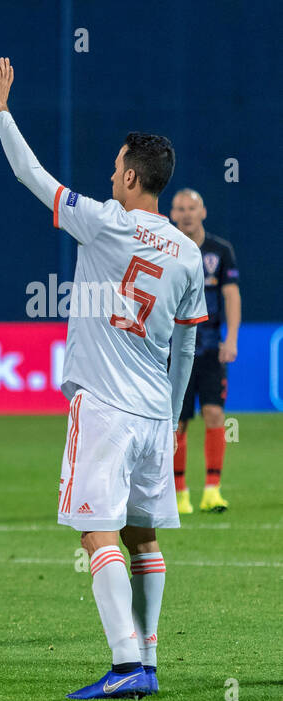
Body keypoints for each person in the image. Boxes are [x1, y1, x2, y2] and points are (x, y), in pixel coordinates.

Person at [0, 57, 206, 699]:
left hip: (106, 407)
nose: (110, 175)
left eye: (115, 168)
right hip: (152, 415)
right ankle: (150, 657)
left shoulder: (105, 222)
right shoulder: (189, 252)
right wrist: (170, 417)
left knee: (96, 530)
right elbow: (188, 345)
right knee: (143, 533)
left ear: (133, 177)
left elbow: (33, 176)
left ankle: (126, 665)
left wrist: (1, 113)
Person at [169, 188, 240, 514]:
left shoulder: (219, 250)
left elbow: (231, 295)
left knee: (214, 414)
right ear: (172, 214)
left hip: (211, 348)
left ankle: (212, 489)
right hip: (173, 349)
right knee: (176, 423)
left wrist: (232, 338)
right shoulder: (164, 249)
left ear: (203, 213)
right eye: (180, 208)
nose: (185, 214)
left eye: (191, 208)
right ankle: (179, 493)